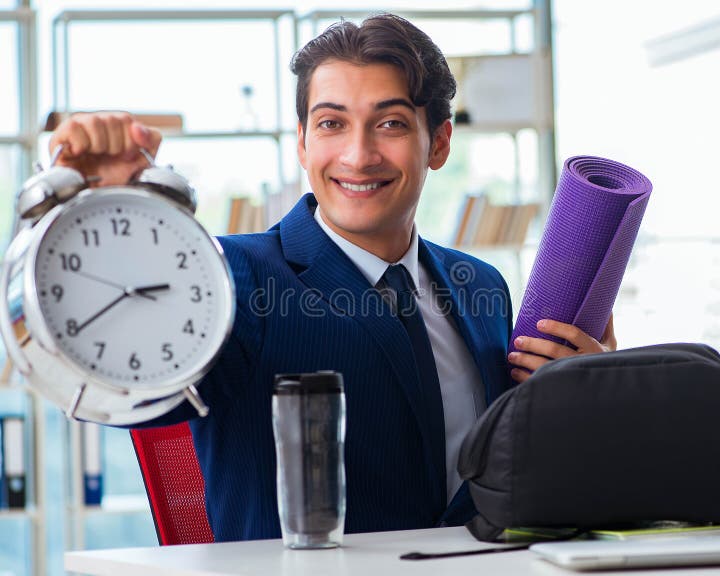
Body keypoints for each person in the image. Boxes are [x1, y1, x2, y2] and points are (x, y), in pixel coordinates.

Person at [49, 14, 616, 542]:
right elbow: (120, 386)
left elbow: (501, 473)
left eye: (390, 123)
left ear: (438, 143)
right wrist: (97, 218)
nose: (358, 154)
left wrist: (578, 395)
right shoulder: (231, 278)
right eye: (331, 123)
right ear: (302, 142)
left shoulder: (481, 286)